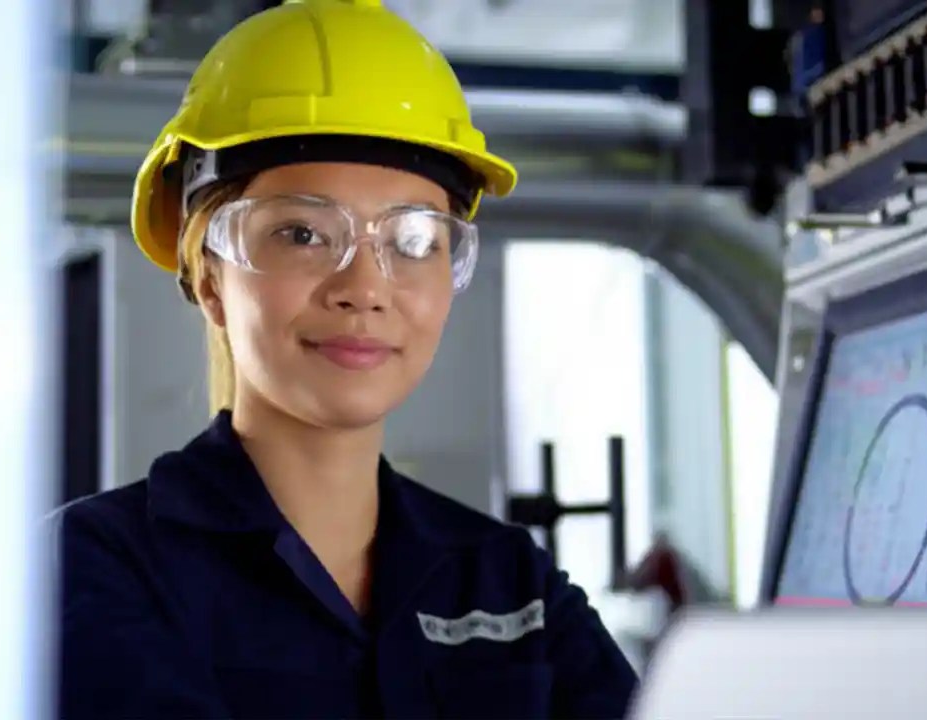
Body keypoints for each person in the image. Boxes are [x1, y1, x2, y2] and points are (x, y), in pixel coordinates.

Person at [56, 1, 639, 717]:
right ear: (210, 278)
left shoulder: (511, 585)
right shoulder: (100, 566)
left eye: (415, 240)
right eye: (302, 233)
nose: (364, 287)